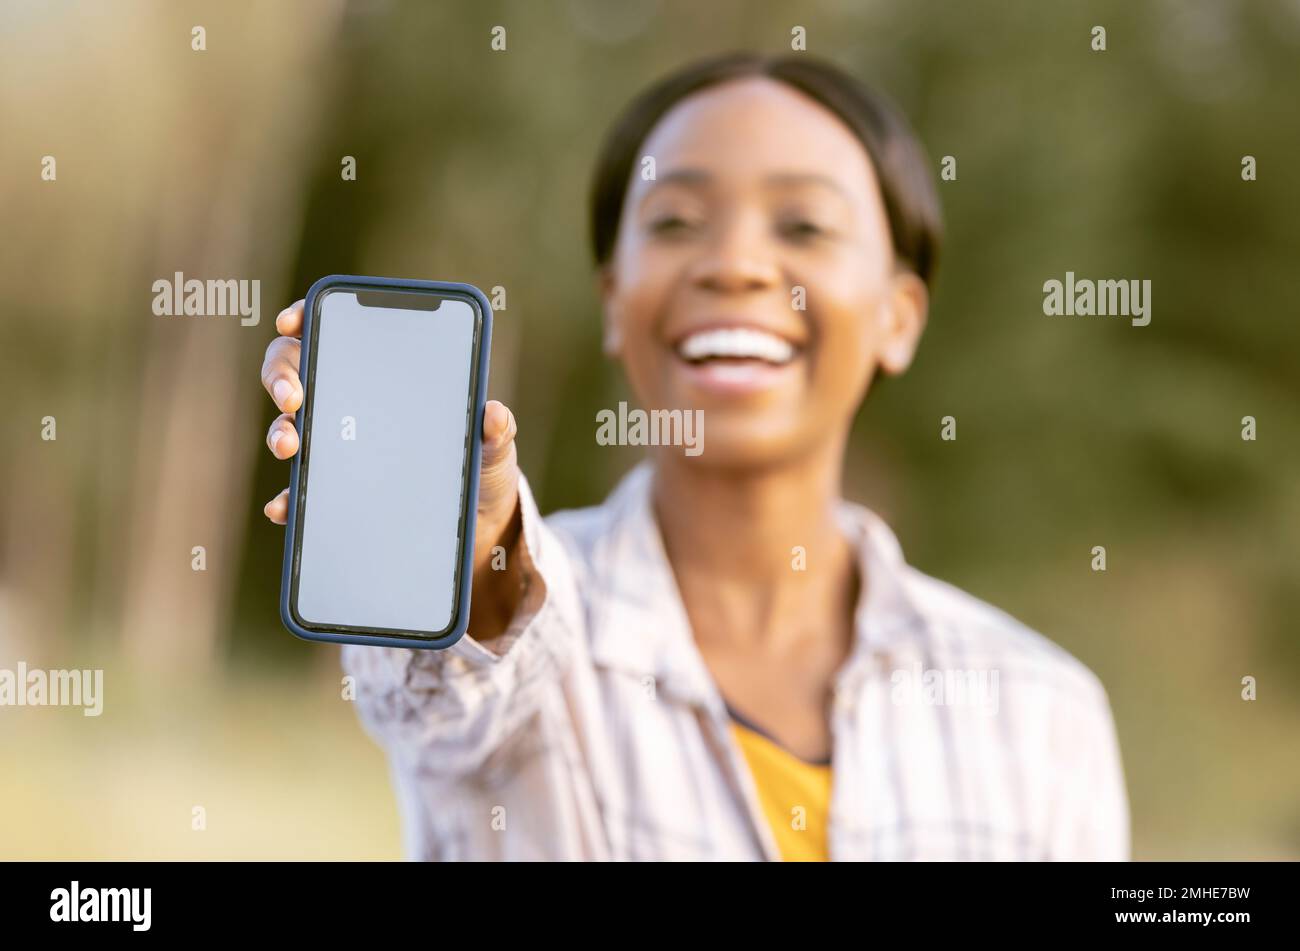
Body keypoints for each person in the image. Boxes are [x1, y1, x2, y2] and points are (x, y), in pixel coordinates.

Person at [259, 52, 1129, 861]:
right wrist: (471, 555)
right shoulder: (526, 627)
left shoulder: (1044, 715)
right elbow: (446, 696)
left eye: (804, 224)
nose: (736, 263)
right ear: (613, 302)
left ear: (899, 314)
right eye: (675, 219)